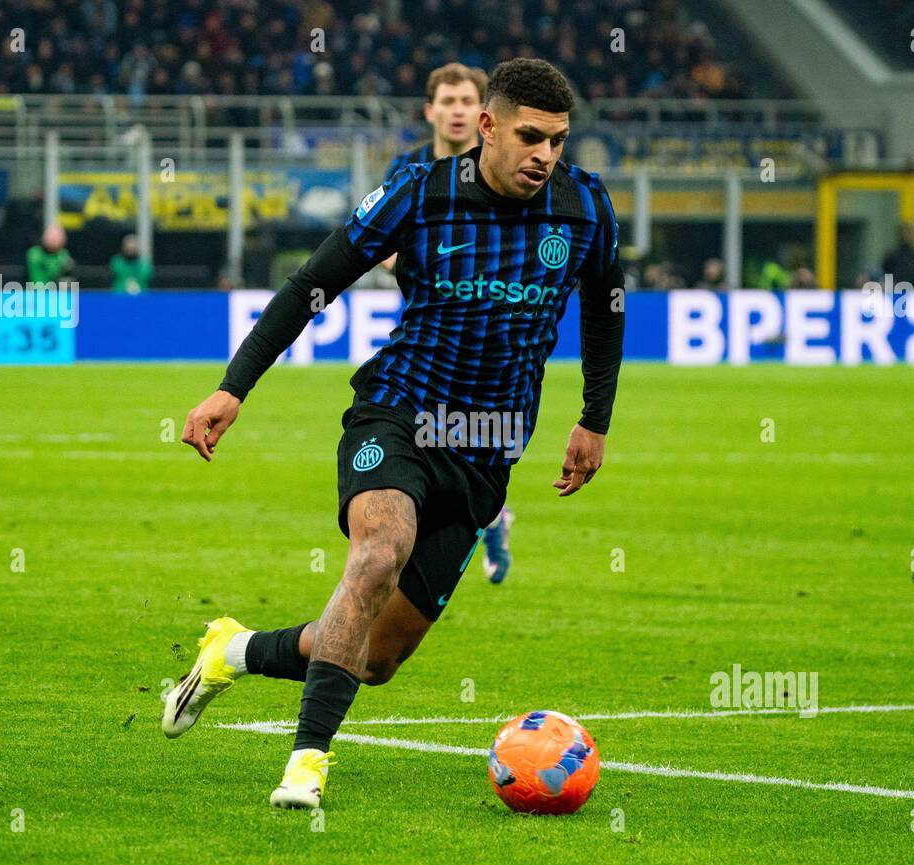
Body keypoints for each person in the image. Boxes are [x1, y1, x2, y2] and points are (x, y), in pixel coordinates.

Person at [166, 58, 624, 810]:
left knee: (375, 657)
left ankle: (233, 651)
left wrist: (594, 420)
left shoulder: (585, 207)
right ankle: (305, 765)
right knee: (378, 554)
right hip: (399, 414)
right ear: (486, 128)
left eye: (559, 141)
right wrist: (232, 387)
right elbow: (312, 283)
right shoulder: (420, 191)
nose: (545, 155)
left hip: (488, 448)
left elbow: (606, 312)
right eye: (530, 136)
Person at [379, 62, 517, 584]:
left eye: (467, 102)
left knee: (473, 440)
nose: (457, 111)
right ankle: (481, 520)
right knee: (422, 434)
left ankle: (485, 514)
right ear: (430, 110)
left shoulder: (500, 169)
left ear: (484, 115)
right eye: (449, 101)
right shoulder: (409, 170)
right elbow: (382, 244)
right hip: (426, 329)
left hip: (488, 334)